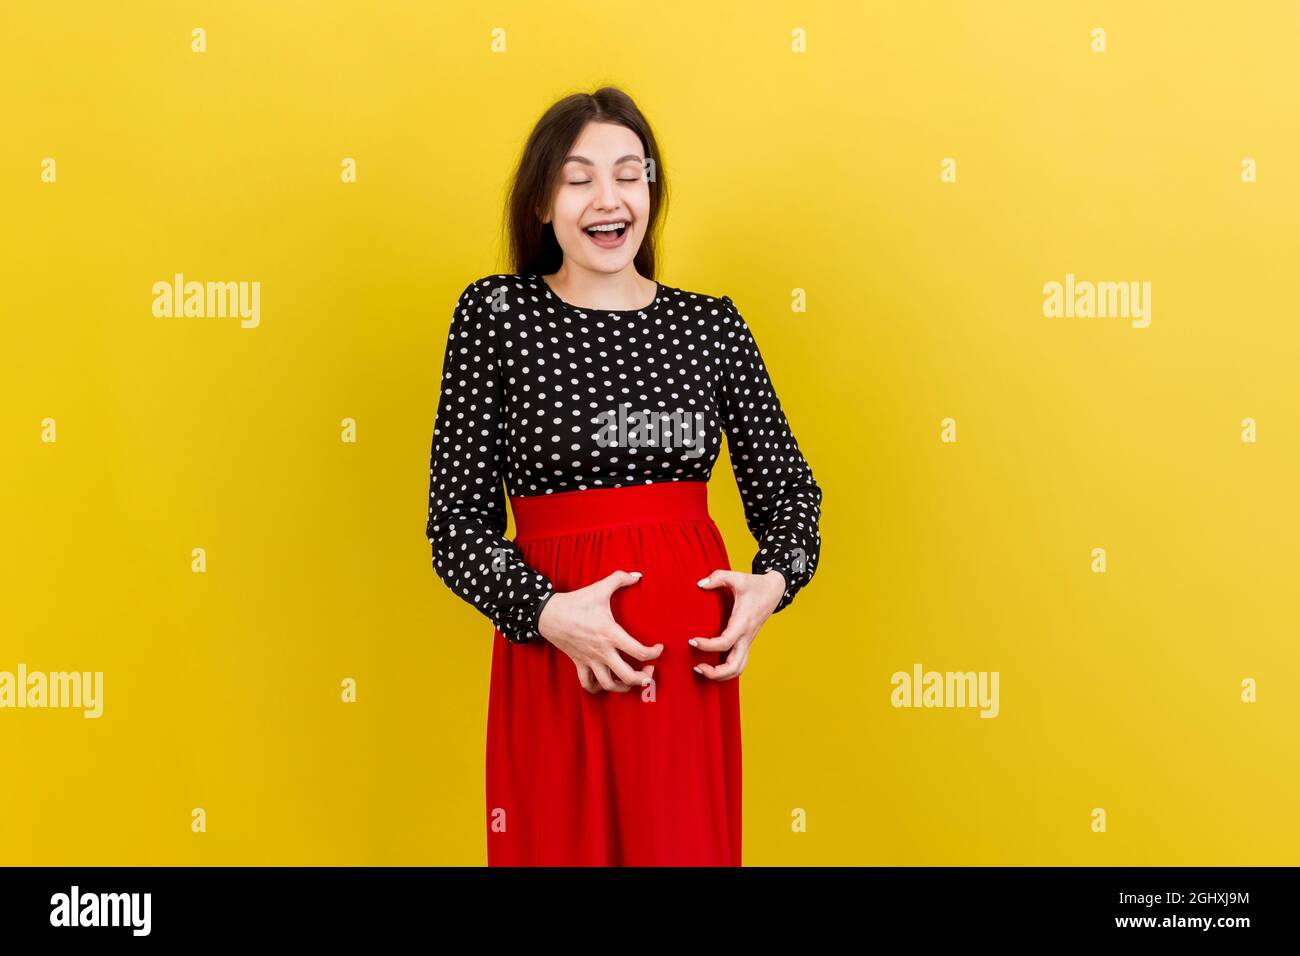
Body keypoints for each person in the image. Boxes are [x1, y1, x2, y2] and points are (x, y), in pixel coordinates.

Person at [425, 86, 822, 865]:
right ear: (541, 201)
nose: (608, 200)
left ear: (651, 191)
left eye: (628, 175)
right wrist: (546, 614)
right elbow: (455, 527)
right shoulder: (495, 315)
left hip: (683, 674)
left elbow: (791, 497)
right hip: (554, 664)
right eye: (578, 178)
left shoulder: (711, 326)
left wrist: (772, 585)